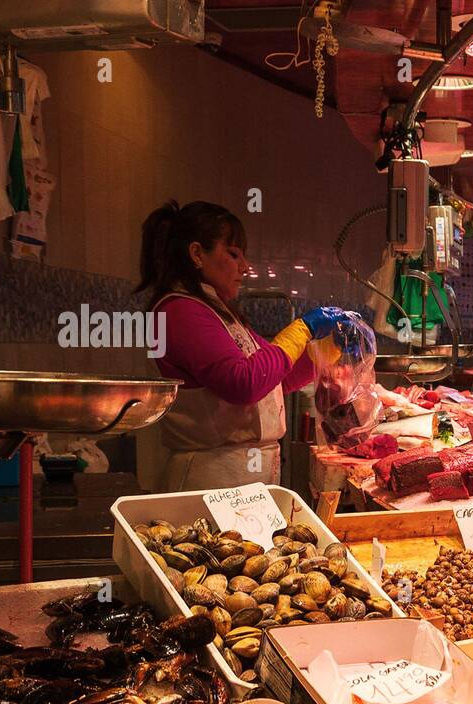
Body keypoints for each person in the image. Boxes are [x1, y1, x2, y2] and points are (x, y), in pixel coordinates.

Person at [139, 200, 338, 492]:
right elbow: (243, 383)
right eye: (233, 254)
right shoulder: (178, 310)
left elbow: (277, 380)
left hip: (243, 480)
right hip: (209, 481)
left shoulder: (220, 312)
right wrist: (302, 329)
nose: (245, 267)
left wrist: (332, 349)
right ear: (196, 254)